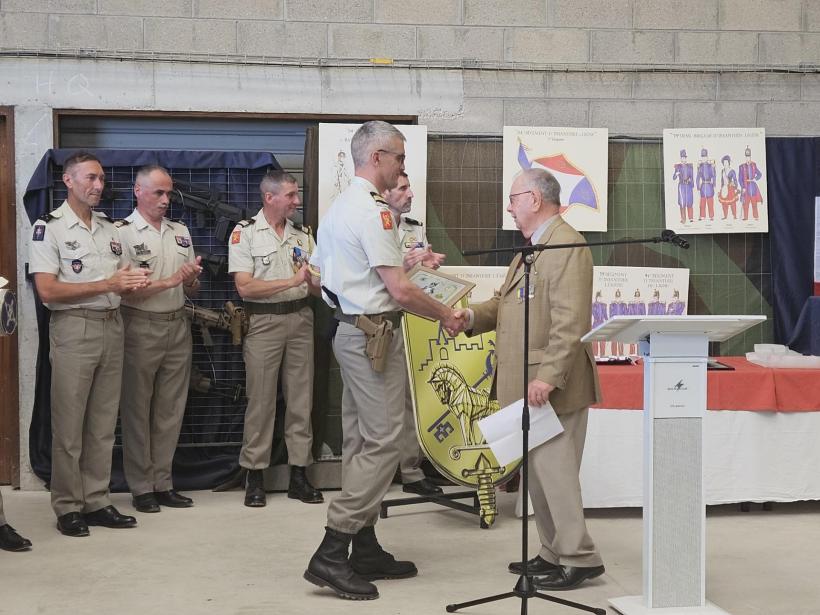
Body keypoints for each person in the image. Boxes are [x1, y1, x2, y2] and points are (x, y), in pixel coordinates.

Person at [304, 121, 462, 601]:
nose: (402, 166)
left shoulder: (338, 210)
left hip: (352, 333)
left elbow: (336, 279)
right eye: (398, 156)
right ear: (376, 157)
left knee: (360, 441)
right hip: (373, 339)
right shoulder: (375, 213)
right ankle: (332, 550)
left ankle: (365, 545)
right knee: (385, 441)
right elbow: (397, 291)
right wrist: (446, 315)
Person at [453, 168, 605, 591]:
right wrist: (466, 317)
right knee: (539, 474)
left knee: (556, 473)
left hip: (553, 386)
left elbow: (571, 321)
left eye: (514, 198)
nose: (509, 206)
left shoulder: (567, 246)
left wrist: (550, 376)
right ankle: (552, 553)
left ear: (535, 199)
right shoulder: (530, 251)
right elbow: (503, 304)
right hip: (529, 386)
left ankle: (580, 557)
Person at [29, 151, 150, 537]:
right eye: (90, 178)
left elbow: (122, 276)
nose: (98, 186)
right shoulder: (49, 228)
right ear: (68, 181)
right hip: (73, 329)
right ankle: (67, 505)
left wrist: (133, 280)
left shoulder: (109, 229)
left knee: (101, 424)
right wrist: (108, 285)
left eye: (100, 179)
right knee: (69, 424)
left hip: (112, 326)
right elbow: (47, 290)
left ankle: (96, 499)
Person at [228, 170, 322, 507]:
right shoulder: (246, 234)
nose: (297, 201)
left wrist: (311, 283)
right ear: (270, 198)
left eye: (297, 195)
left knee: (301, 399)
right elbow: (245, 287)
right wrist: (292, 280)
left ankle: (299, 474)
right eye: (291, 196)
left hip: (300, 318)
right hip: (264, 322)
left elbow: (315, 283)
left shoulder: (303, 235)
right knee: (261, 401)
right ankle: (255, 475)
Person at [117, 165, 202, 513]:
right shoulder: (120, 233)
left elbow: (191, 286)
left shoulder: (179, 231)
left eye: (169, 193)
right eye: (158, 193)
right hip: (139, 325)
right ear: (138, 191)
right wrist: (171, 281)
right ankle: (141, 487)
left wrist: (190, 279)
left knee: (170, 409)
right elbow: (126, 289)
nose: (166, 200)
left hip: (177, 325)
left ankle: (163, 482)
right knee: (137, 409)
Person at [382, 171, 444, 497]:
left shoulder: (414, 228)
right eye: (403, 188)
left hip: (410, 319)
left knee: (409, 396)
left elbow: (417, 277)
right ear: (386, 191)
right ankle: (376, 472)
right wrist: (404, 266)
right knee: (379, 400)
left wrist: (428, 264)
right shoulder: (372, 225)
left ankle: (410, 469)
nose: (410, 194)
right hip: (376, 320)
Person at [738, 146, 763, 221]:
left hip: (753, 187)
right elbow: (740, 178)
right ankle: (745, 217)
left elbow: (759, 174)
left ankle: (756, 217)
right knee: (745, 204)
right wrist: (743, 187)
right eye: (746, 157)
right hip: (745, 187)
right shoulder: (741, 167)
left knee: (754, 203)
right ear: (745, 157)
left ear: (750, 157)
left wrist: (755, 178)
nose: (748, 158)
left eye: (749, 157)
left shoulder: (754, 165)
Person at [673, 149, 694, 224]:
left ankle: (691, 218)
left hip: (688, 186)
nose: (683, 159)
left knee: (689, 202)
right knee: (682, 203)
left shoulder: (690, 167)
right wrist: (676, 174)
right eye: (682, 157)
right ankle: (683, 219)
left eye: (685, 157)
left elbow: (692, 177)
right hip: (681, 186)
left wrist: (691, 184)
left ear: (686, 158)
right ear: (680, 158)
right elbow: (674, 178)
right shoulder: (678, 167)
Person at [696, 148, 716, 221]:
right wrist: (698, 186)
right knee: (702, 203)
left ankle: (711, 216)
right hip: (703, 185)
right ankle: (702, 216)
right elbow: (698, 177)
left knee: (710, 202)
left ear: (707, 157)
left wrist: (714, 184)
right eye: (702, 157)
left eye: (705, 156)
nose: (704, 158)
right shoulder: (700, 166)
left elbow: (714, 175)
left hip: (709, 185)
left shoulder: (711, 166)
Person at [718, 155, 738, 220]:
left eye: (726, 162)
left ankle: (734, 215)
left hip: (730, 188)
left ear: (729, 162)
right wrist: (721, 188)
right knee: (724, 203)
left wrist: (734, 186)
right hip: (724, 188)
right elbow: (722, 180)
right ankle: (725, 216)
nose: (725, 164)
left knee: (733, 203)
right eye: (724, 163)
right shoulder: (722, 171)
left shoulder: (732, 171)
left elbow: (735, 180)